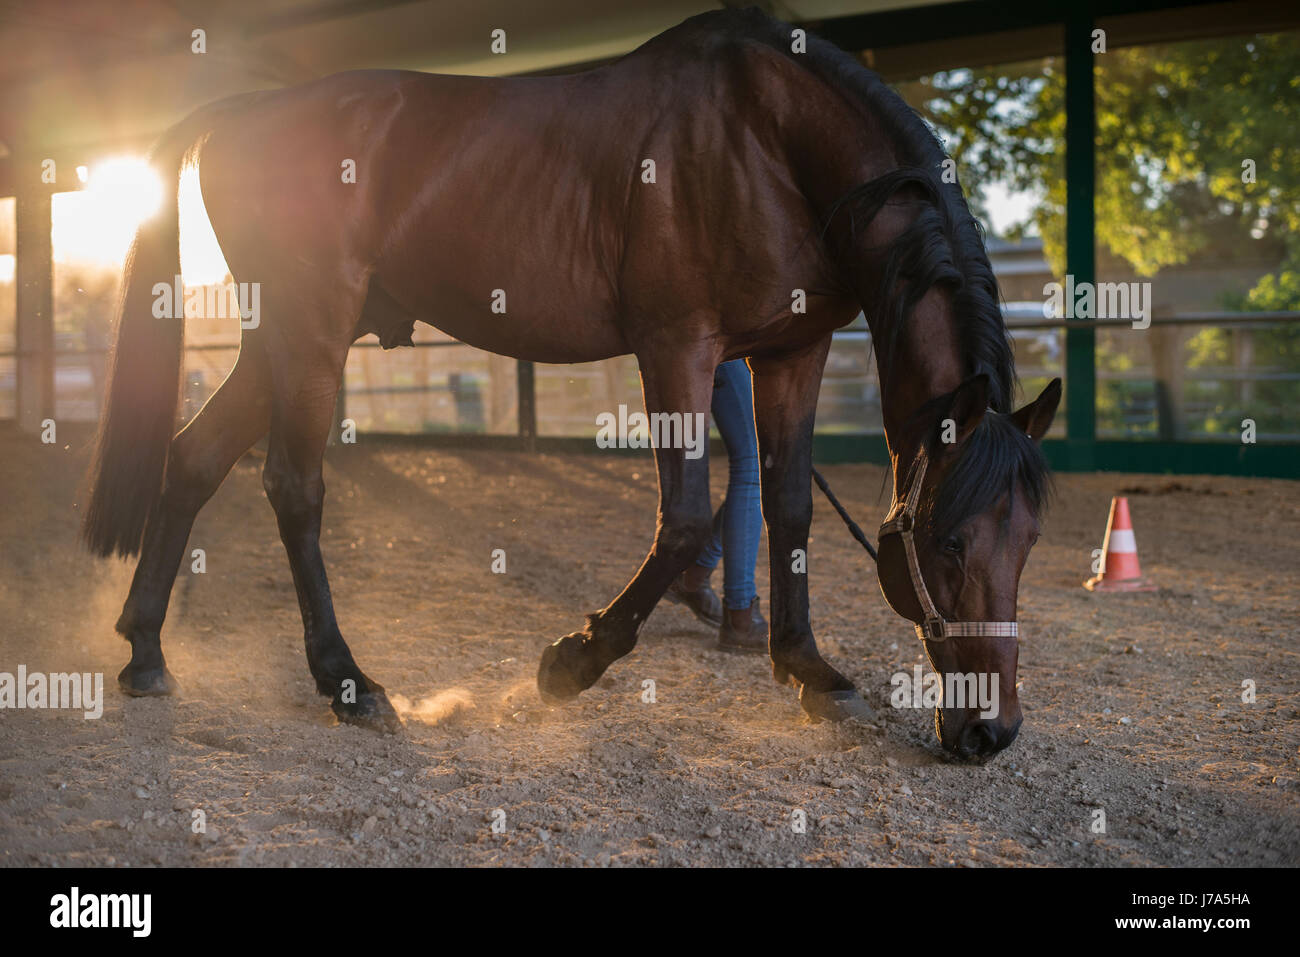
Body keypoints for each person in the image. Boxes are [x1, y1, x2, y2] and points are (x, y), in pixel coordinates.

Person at [664, 359, 767, 652]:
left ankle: (693, 576)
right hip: (726, 338)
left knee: (756, 462)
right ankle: (741, 617)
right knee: (754, 461)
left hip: (730, 339)